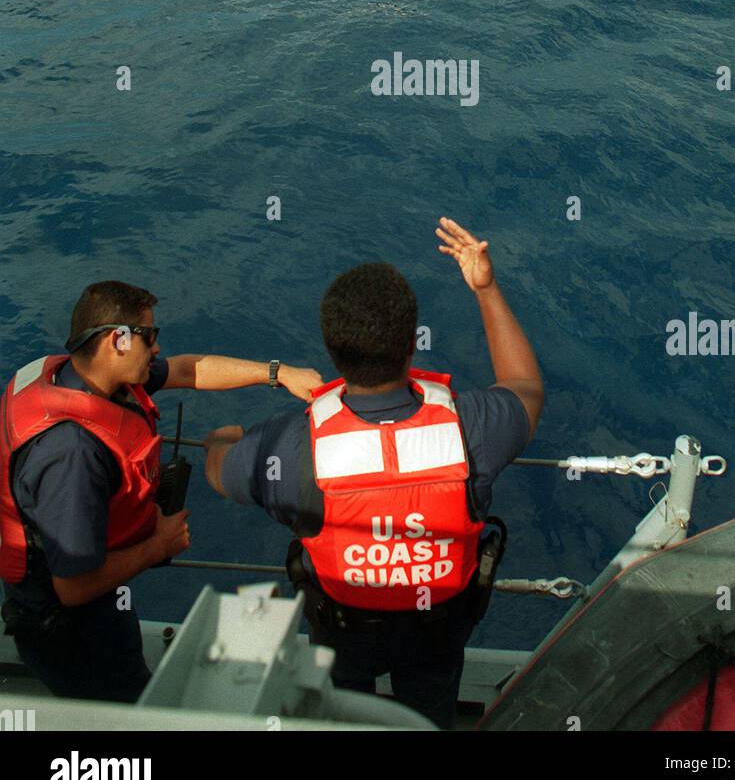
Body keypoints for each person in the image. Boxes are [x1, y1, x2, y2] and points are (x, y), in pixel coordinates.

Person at [204, 217, 543, 729]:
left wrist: (223, 438)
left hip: (344, 634)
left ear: (333, 351)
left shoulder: (292, 447)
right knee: (430, 713)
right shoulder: (471, 430)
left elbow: (219, 473)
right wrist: (486, 288)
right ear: (412, 346)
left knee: (340, 712)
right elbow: (524, 386)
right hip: (438, 633)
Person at [0, 280, 321, 703]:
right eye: (149, 337)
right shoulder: (71, 455)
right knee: (122, 707)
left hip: (98, 590)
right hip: (68, 626)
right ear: (117, 339)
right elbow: (73, 588)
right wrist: (158, 545)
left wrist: (278, 374)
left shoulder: (83, 375)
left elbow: (189, 370)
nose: (155, 349)